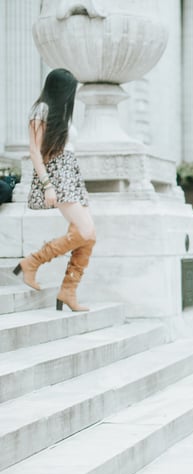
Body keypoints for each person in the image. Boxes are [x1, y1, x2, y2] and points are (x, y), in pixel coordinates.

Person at [13, 68, 96, 311]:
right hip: (58, 175)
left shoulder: (59, 113)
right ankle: (32, 262)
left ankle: (68, 291)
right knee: (85, 230)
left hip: (70, 173)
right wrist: (48, 185)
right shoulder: (41, 109)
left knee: (89, 235)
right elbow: (34, 151)